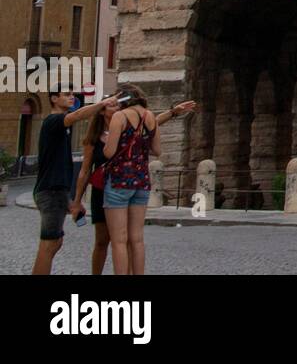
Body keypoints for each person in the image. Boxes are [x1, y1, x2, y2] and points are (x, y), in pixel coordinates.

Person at [72, 97, 198, 275]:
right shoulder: (93, 138)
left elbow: (155, 121)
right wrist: (77, 200)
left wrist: (173, 112)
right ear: (101, 111)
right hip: (102, 191)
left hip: (122, 187)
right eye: (111, 105)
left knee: (128, 239)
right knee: (102, 241)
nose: (116, 107)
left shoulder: (128, 128)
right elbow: (85, 171)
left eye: (118, 104)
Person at [31, 88, 120, 274]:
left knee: (56, 242)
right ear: (54, 99)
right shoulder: (53, 121)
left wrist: (73, 202)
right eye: (66, 94)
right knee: (49, 244)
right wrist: (103, 104)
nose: (72, 97)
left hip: (58, 191)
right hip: (50, 190)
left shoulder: (63, 126)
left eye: (73, 94)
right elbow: (78, 115)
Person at [101, 84, 162, 275]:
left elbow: (109, 152)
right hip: (142, 180)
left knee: (119, 239)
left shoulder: (120, 116)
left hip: (120, 179)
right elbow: (157, 150)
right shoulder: (150, 116)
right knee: (137, 238)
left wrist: (107, 141)